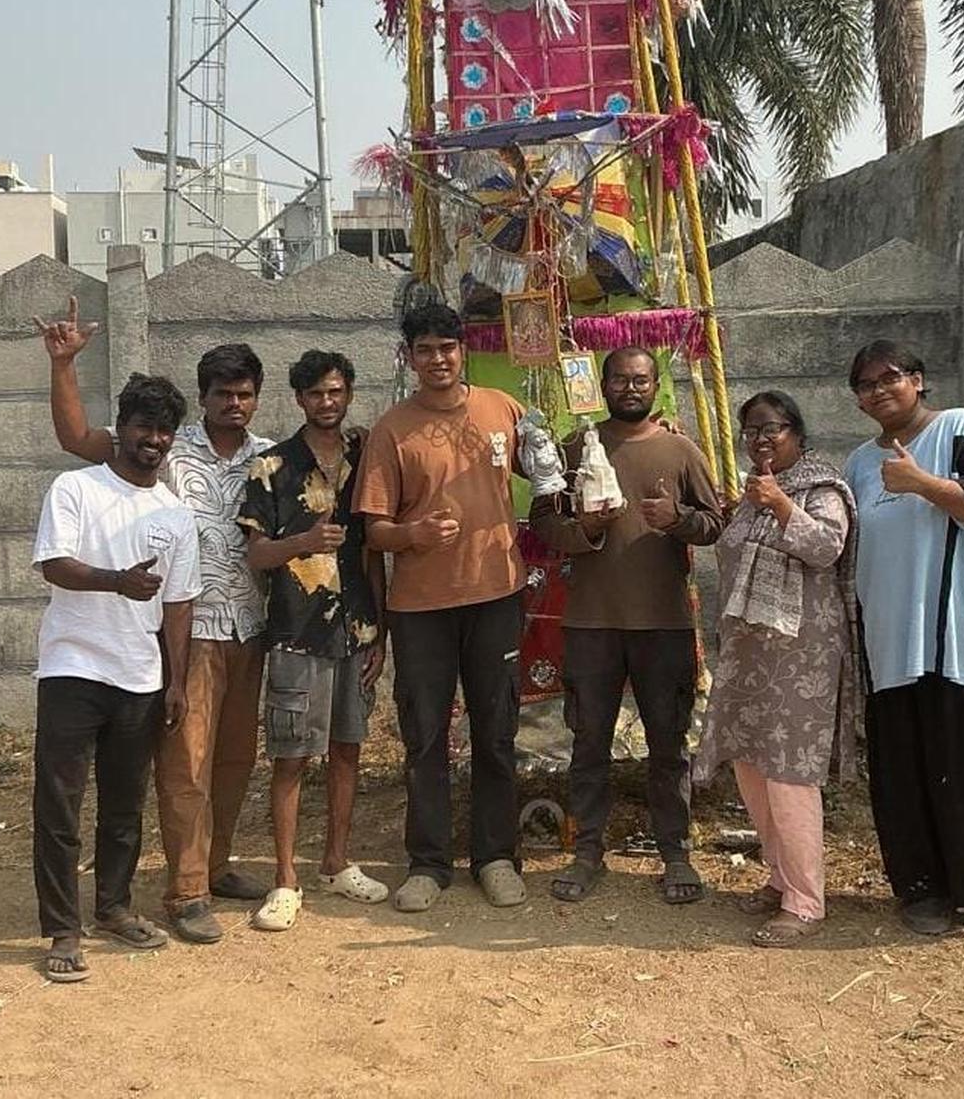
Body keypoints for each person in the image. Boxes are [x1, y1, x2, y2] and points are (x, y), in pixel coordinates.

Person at [35, 299, 273, 944]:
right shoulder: (162, 449)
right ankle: (187, 889)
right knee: (185, 767)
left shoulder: (271, 458)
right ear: (203, 398)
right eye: (222, 392)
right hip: (185, 633)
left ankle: (216, 866)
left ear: (256, 399)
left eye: (244, 393)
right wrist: (63, 365)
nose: (233, 403)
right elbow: (73, 438)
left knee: (232, 762)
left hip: (249, 626)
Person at [843, 339, 964, 952]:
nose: (878, 391)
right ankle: (923, 888)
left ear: (918, 380)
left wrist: (922, 482)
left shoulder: (959, 429)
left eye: (889, 378)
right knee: (905, 768)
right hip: (892, 641)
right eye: (865, 385)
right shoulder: (859, 465)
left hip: (963, 637)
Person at [528, 347, 724, 906]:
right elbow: (544, 521)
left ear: (655, 386)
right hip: (591, 623)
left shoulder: (679, 450)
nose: (630, 389)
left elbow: (713, 524)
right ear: (603, 386)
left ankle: (676, 852)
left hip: (663, 623)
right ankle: (587, 849)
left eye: (641, 380)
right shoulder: (575, 448)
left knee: (668, 744)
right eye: (620, 379)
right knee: (589, 743)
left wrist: (678, 520)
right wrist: (585, 528)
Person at [353, 302, 527, 914]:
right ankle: (428, 863)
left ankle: (496, 856)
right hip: (421, 607)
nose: (438, 360)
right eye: (424, 349)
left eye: (446, 348)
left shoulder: (502, 410)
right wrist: (412, 535)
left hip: (498, 594)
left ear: (463, 351)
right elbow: (372, 530)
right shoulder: (391, 430)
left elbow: (546, 473)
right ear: (410, 356)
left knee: (497, 730)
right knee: (425, 736)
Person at [31, 373, 200, 983]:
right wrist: (115, 581)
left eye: (164, 430)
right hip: (73, 667)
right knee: (60, 807)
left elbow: (180, 605)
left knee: (125, 806)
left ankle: (113, 908)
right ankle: (61, 929)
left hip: (139, 676)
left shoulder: (175, 515)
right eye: (143, 426)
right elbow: (54, 565)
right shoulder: (75, 487)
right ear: (121, 428)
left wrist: (177, 681)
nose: (153, 439)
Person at [694, 392, 859, 947]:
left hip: (801, 654)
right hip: (750, 654)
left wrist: (783, 506)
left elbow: (826, 549)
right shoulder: (751, 493)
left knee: (790, 772)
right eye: (752, 431)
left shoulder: (822, 488)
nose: (761, 440)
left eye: (773, 429)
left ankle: (806, 901)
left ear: (798, 433)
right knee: (752, 764)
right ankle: (779, 876)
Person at [237, 350, 387, 930]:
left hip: (357, 630)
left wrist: (382, 630)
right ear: (299, 399)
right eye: (317, 394)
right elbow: (255, 554)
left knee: (348, 750)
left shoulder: (367, 459)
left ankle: (336, 863)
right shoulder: (272, 467)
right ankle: (284, 878)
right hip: (297, 633)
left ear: (348, 393)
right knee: (291, 756)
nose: (328, 402)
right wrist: (301, 542)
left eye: (337, 392)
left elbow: (373, 550)